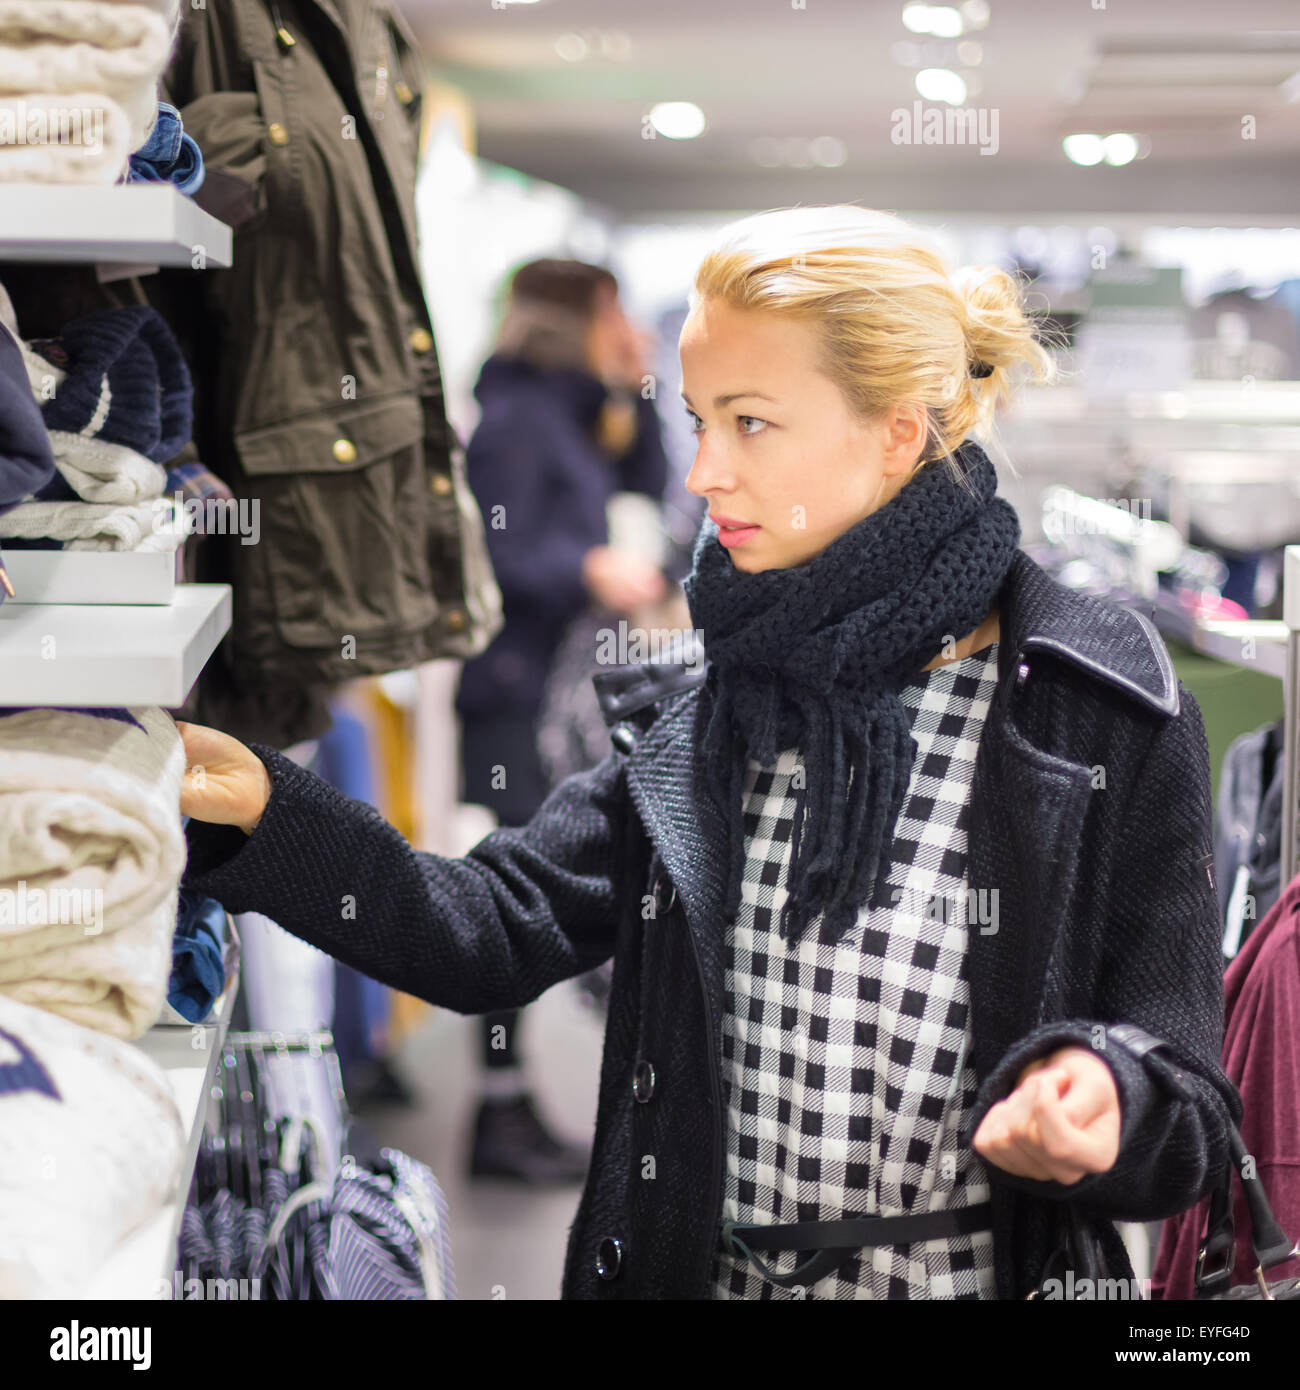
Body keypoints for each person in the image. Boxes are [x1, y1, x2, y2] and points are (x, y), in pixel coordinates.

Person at [175, 204, 1240, 1300]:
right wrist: (271, 813)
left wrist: (1106, 1095)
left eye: (750, 422)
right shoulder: (707, 707)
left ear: (895, 430)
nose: (701, 473)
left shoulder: (1090, 709)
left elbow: (1191, 1104)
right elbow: (491, 927)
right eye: (697, 419)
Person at [454, 258, 670, 1182]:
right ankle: (498, 1115)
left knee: (550, 889)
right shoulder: (513, 417)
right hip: (517, 698)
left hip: (559, 695)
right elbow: (491, 551)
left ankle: (516, 1111)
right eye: (610, 310)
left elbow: (652, 477)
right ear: (572, 314)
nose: (621, 325)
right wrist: (582, 567)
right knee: (516, 899)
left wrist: (639, 380)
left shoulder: (580, 407)